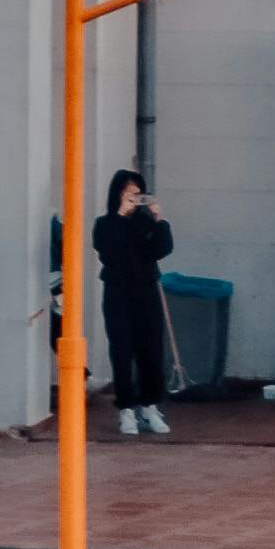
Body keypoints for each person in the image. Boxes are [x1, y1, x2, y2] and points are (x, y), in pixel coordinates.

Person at [96, 169, 176, 435]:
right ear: (117, 193)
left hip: (146, 291)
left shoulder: (146, 223)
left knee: (151, 349)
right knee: (121, 350)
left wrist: (158, 218)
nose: (132, 197)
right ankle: (126, 410)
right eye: (126, 191)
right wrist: (120, 215)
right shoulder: (105, 223)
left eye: (136, 192)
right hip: (117, 292)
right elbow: (107, 251)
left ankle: (149, 406)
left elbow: (162, 249)